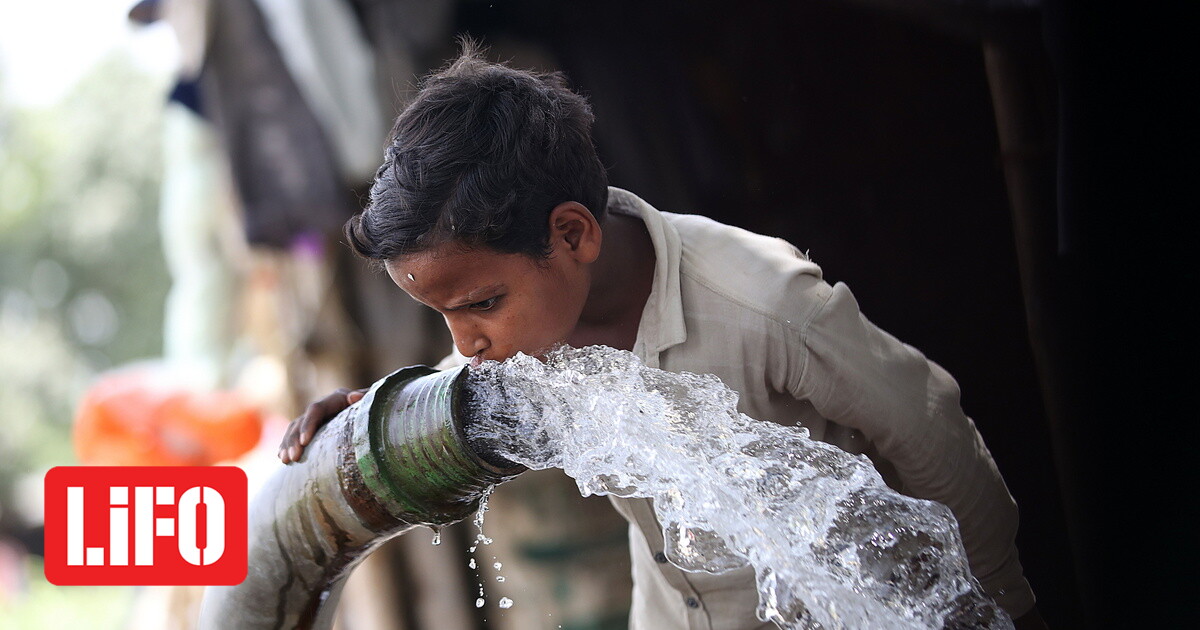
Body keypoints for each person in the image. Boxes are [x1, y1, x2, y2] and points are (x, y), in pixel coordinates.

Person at [277, 41, 1048, 630]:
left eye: (479, 301)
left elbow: (932, 432)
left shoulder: (763, 303)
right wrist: (374, 415)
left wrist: (1003, 606)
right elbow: (458, 391)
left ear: (572, 235)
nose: (467, 343)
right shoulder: (530, 338)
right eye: (444, 315)